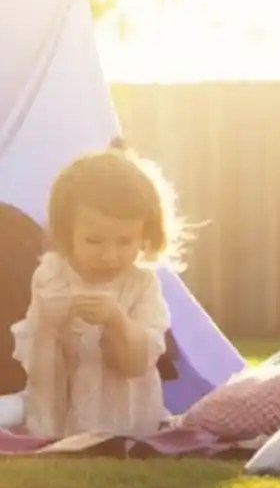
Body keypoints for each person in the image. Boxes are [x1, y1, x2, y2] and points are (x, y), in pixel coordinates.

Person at [12, 141, 188, 438]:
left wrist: (116, 321)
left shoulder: (142, 285)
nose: (109, 256)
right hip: (58, 418)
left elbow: (137, 364)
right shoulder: (52, 274)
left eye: (124, 241)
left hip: (124, 422)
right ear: (68, 232)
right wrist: (57, 317)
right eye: (94, 241)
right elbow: (41, 351)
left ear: (145, 234)